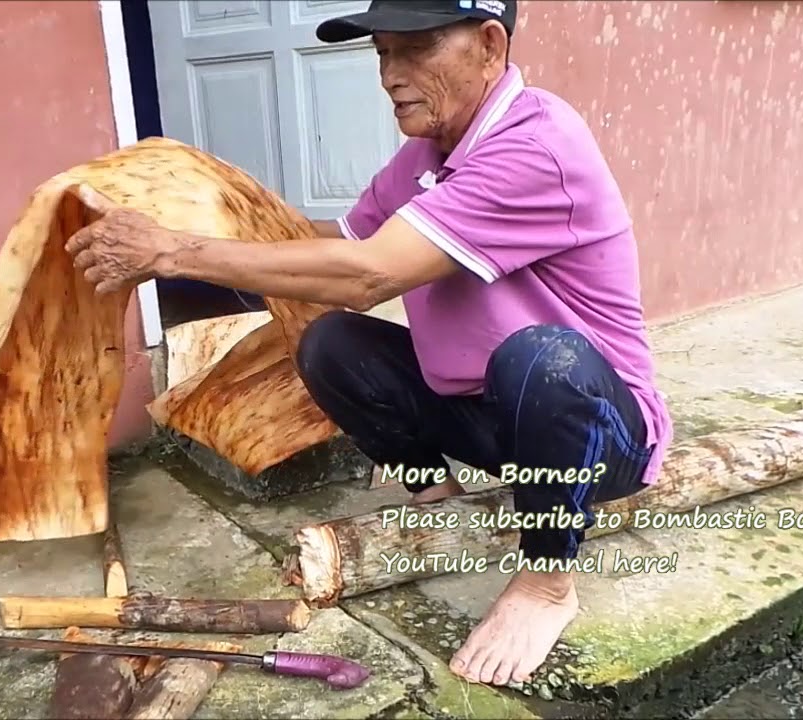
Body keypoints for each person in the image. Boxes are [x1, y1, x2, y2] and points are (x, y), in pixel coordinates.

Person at [66, 0, 673, 688]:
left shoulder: (537, 145)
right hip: (495, 420)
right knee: (332, 344)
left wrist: (177, 254)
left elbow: (369, 275)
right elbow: (343, 247)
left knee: (543, 356)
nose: (391, 74)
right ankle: (433, 492)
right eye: (383, 51)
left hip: (595, 436)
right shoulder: (427, 153)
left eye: (414, 48)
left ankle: (547, 586)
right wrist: (209, 214)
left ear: (490, 44)